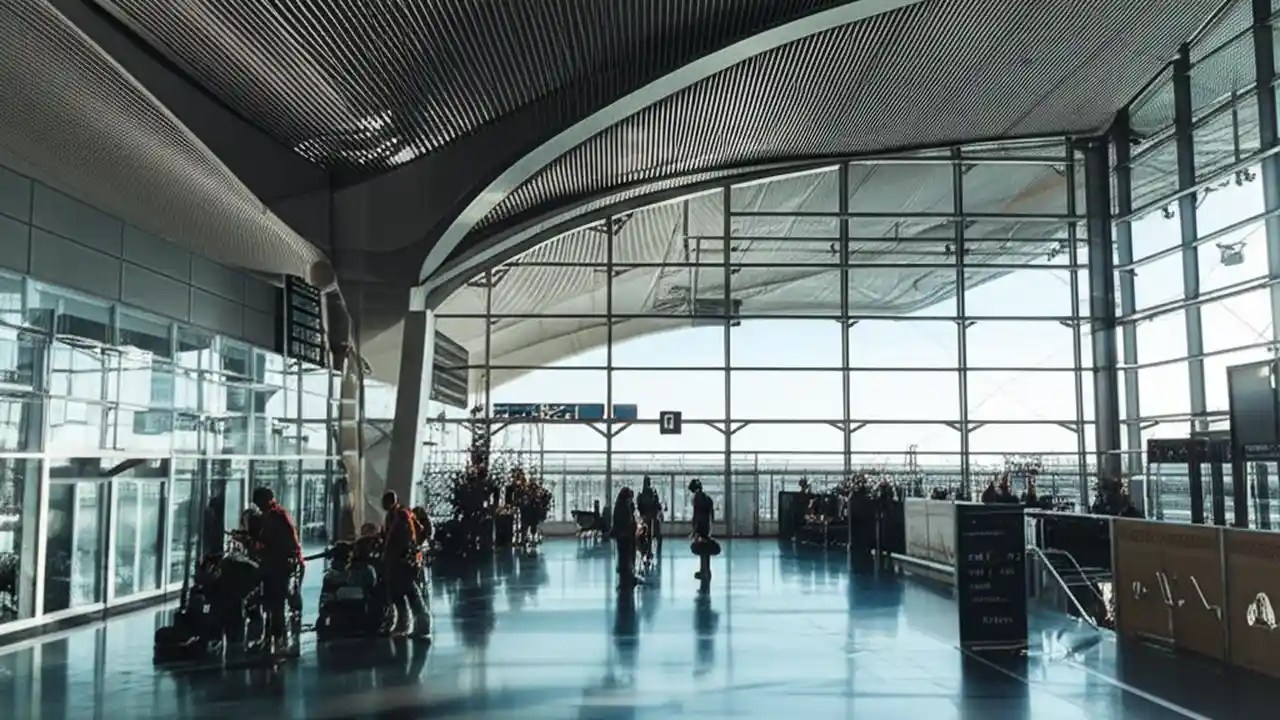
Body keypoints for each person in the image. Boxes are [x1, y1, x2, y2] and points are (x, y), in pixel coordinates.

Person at [249, 487, 303, 655]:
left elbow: (269, 543)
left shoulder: (273, 518)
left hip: (277, 565)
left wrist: (253, 544)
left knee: (275, 602)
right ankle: (273, 637)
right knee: (273, 602)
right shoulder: (277, 515)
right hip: (278, 564)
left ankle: (276, 638)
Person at [381, 490, 431, 639]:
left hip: (402, 561)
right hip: (403, 560)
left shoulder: (400, 516)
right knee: (401, 593)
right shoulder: (398, 514)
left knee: (408, 592)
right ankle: (409, 624)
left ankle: (418, 625)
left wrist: (396, 554)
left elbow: (398, 539)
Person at [611, 487, 639, 589]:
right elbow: (624, 522)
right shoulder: (622, 508)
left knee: (627, 556)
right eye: (630, 498)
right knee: (625, 557)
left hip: (626, 535)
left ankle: (627, 576)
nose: (631, 500)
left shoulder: (624, 506)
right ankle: (626, 578)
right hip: (624, 536)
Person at [690, 479, 715, 585]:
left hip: (700, 525)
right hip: (707, 525)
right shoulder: (707, 498)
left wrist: (694, 529)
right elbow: (711, 513)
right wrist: (711, 526)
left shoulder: (696, 498)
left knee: (701, 549)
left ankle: (704, 571)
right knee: (706, 547)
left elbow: (696, 514)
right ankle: (707, 570)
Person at [636, 476, 662, 559]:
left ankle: (649, 551)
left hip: (647, 516)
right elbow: (656, 504)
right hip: (651, 516)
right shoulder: (651, 493)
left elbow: (640, 505)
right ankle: (651, 551)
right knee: (652, 534)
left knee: (649, 534)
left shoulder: (644, 493)